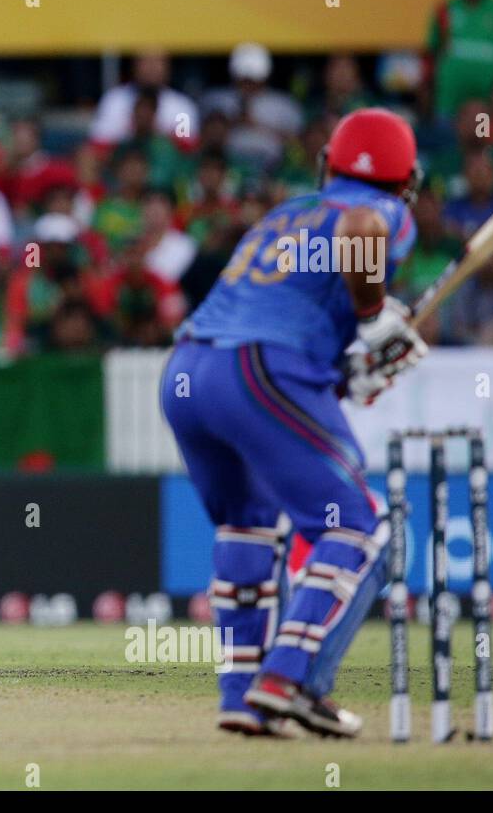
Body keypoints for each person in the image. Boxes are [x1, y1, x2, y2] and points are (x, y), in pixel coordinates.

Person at [160, 108, 428, 739]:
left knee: (247, 527)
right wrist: (373, 316)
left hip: (189, 370)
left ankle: (242, 695)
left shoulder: (285, 214)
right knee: (361, 524)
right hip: (260, 369)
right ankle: (292, 678)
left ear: (326, 164)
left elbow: (278, 305)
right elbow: (361, 226)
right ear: (407, 179)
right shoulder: (380, 209)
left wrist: (346, 366)